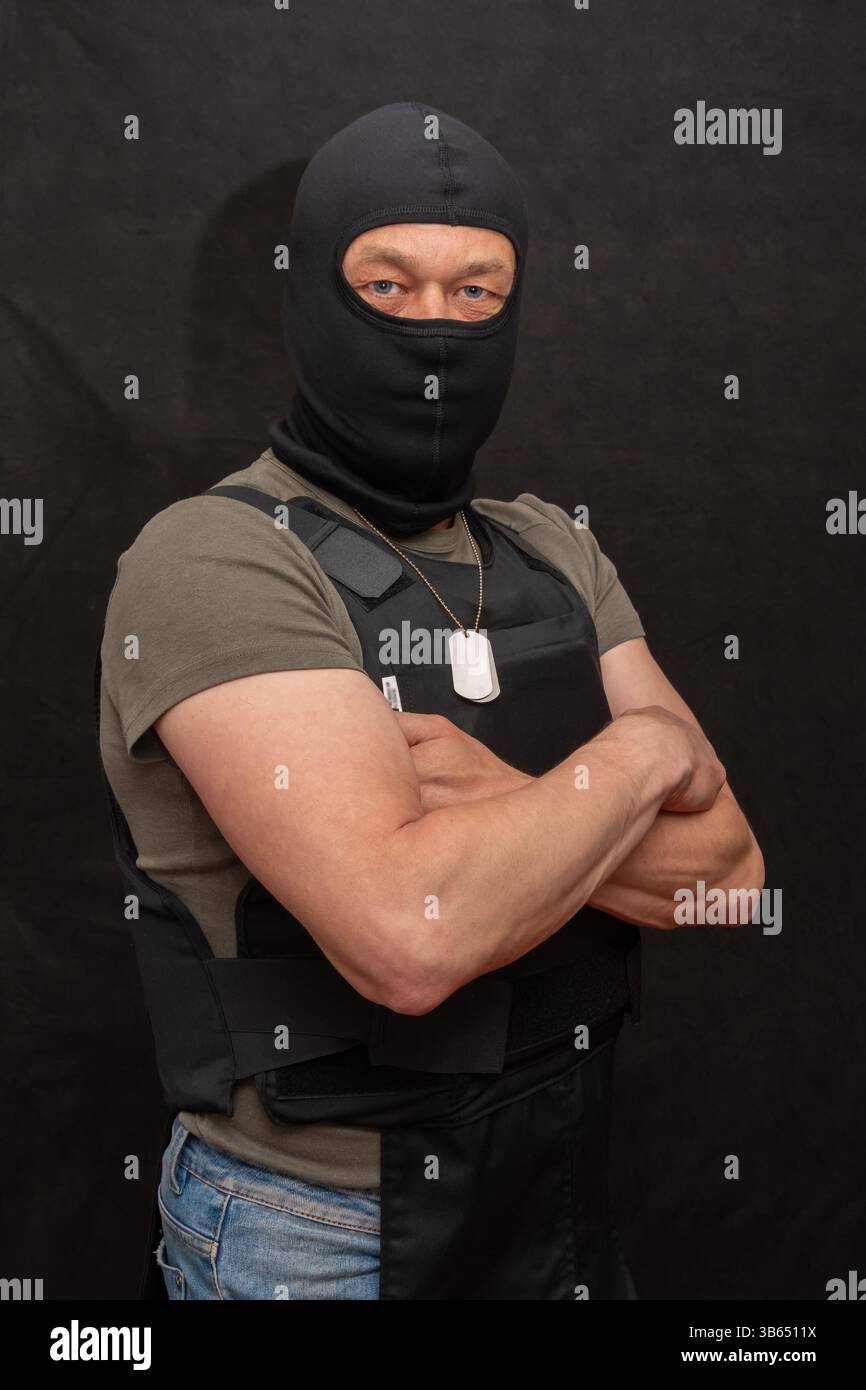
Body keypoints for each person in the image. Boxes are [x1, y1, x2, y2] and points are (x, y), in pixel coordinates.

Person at [96, 101, 764, 1301]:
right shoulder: (215, 558)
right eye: (387, 283)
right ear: (310, 293)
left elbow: (729, 885)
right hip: (317, 1233)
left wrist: (507, 800)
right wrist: (648, 754)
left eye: (476, 292)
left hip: (552, 1192)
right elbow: (412, 937)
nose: (434, 331)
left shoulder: (554, 549)